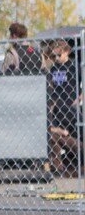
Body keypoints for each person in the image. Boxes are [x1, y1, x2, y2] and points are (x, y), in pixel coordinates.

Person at [45, 39, 82, 176]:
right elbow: (52, 88)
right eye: (54, 56)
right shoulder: (54, 68)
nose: (56, 59)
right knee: (57, 135)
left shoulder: (74, 66)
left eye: (58, 55)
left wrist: (79, 98)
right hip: (57, 109)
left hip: (71, 108)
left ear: (67, 52)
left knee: (75, 133)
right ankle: (59, 168)